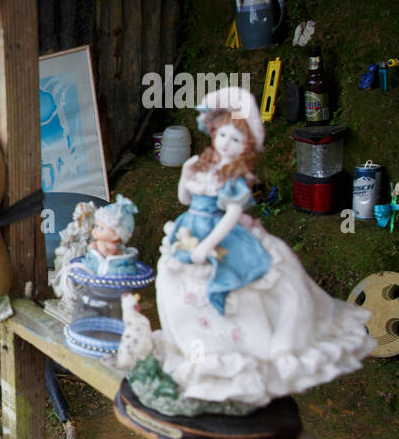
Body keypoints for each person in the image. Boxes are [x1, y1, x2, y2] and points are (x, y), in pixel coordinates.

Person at [153, 88, 373, 409]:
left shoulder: (235, 178)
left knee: (235, 286)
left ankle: (241, 358)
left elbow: (231, 215)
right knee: (174, 282)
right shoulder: (203, 166)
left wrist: (208, 246)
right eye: (223, 135)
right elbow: (186, 200)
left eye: (236, 140)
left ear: (246, 148)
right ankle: (193, 351)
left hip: (217, 235)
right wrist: (185, 175)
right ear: (214, 133)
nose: (226, 143)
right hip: (189, 230)